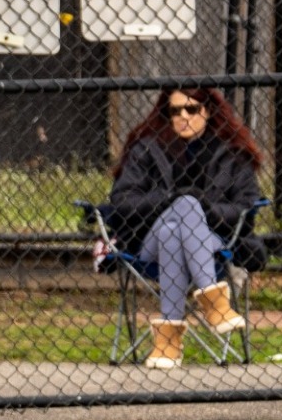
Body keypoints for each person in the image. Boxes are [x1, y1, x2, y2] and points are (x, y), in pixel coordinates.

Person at [106, 87, 265, 369]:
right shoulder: (146, 148)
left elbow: (246, 209)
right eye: (175, 110)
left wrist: (208, 209)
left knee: (176, 227)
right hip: (148, 244)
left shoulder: (231, 153)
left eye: (191, 109)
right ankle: (214, 303)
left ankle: (167, 342)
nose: (183, 116)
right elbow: (122, 202)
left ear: (207, 112)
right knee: (182, 207)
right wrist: (168, 200)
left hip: (214, 242)